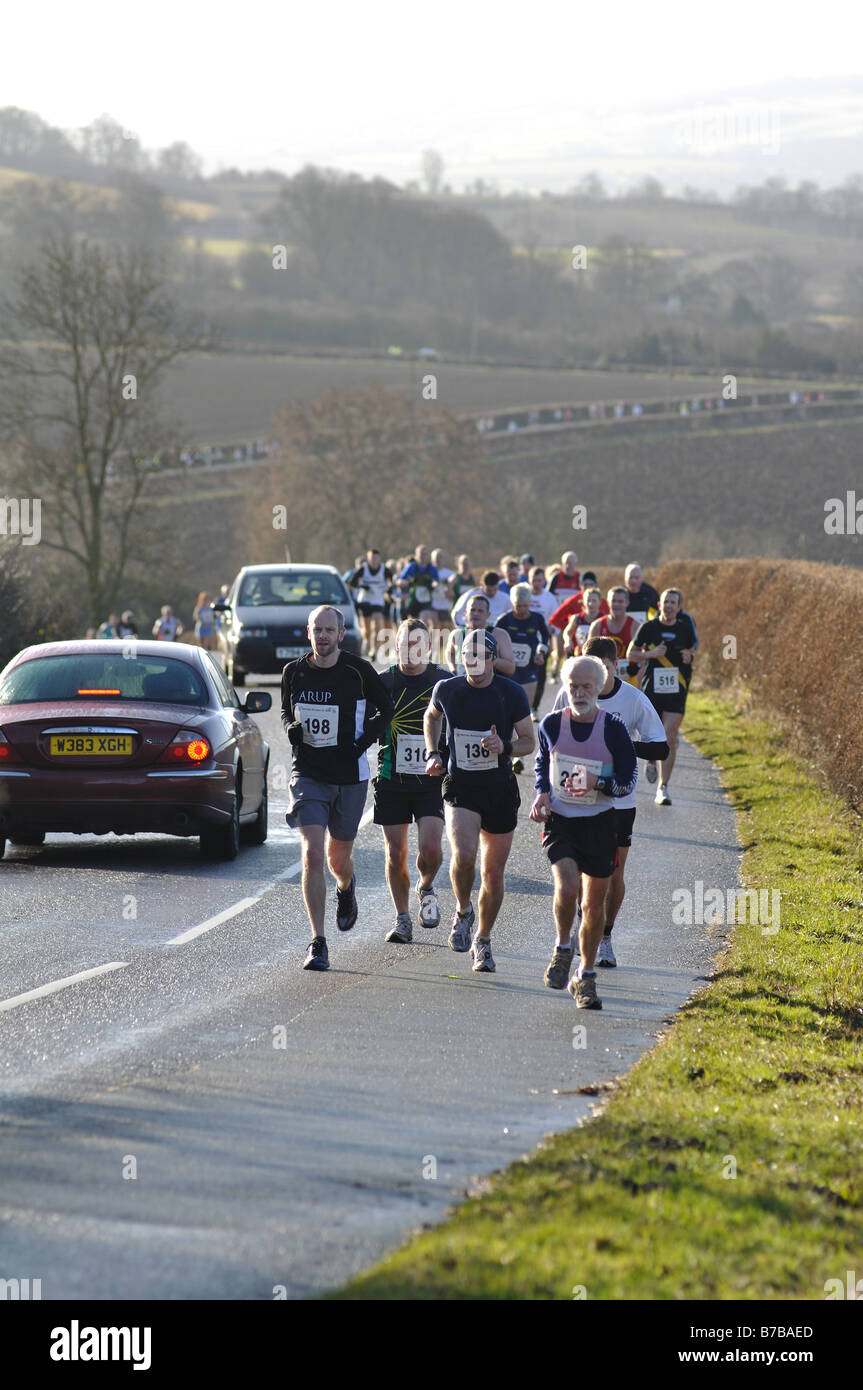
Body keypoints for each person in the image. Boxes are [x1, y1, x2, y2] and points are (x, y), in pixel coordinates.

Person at [281, 604, 393, 971]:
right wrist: (291, 730)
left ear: (341, 634)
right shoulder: (294, 672)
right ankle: (318, 942)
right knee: (313, 854)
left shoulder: (358, 672)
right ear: (308, 632)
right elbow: (286, 712)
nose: (323, 636)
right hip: (309, 774)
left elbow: (385, 709)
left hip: (350, 777)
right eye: (318, 630)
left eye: (330, 630)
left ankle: (346, 887)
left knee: (337, 860)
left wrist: (362, 744)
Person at [552, 636, 668, 967]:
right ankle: (582, 925)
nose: (592, 680)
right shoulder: (569, 692)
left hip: (618, 802)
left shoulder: (633, 700)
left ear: (615, 666)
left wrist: (621, 747)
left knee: (613, 876)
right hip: (575, 798)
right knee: (573, 875)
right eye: (587, 671)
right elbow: (549, 741)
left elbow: (660, 748)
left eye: (601, 669)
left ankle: (605, 936)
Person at [424, 628, 535, 973]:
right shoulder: (448, 689)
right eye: (467, 655)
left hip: (500, 789)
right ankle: (462, 910)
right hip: (461, 785)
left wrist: (506, 747)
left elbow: (529, 741)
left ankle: (483, 941)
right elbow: (432, 715)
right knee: (464, 856)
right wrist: (432, 751)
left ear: (491, 660)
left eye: (480, 656)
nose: (473, 662)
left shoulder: (511, 693)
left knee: (492, 871)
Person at [531, 655, 636, 1008]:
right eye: (573, 686)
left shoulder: (613, 729)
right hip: (561, 822)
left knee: (592, 906)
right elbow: (543, 764)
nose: (579, 692)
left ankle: (586, 976)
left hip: (600, 822)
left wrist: (600, 783)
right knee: (567, 886)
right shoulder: (549, 724)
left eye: (586, 686)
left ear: (600, 687)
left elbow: (628, 781)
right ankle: (563, 948)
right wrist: (541, 794)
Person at [374, 619, 450, 942]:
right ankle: (402, 918)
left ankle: (426, 883)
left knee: (431, 849)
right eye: (406, 644)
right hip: (392, 778)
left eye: (418, 645)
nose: (411, 651)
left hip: (431, 779)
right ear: (396, 647)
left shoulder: (444, 683)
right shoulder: (384, 682)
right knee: (395, 853)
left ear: (429, 649)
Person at [626, 588, 696, 806]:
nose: (668, 606)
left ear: (679, 607)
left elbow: (692, 652)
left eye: (673, 602)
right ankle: (650, 757)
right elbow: (631, 653)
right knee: (651, 733)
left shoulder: (685, 629)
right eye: (666, 602)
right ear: (659, 604)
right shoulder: (649, 628)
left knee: (669, 734)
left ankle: (663, 788)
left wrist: (689, 656)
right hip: (652, 689)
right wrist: (650, 654)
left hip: (677, 689)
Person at [495, 584, 549, 767]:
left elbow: (545, 641)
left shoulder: (537, 619)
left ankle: (520, 757)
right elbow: (494, 642)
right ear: (512, 603)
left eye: (526, 606)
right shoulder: (503, 620)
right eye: (519, 606)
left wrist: (541, 653)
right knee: (505, 714)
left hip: (529, 672)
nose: (522, 610)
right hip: (507, 674)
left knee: (522, 713)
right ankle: (508, 751)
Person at [445, 592, 516, 678]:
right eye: (472, 610)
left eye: (480, 611)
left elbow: (511, 669)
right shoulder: (456, 635)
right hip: (463, 687)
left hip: (489, 687)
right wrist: (453, 670)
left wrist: (490, 659)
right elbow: (450, 654)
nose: (476, 614)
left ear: (488, 614)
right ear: (466, 613)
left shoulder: (499, 635)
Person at [586, 586, 641, 685]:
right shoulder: (597, 626)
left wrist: (638, 672)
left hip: (629, 679)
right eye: (613, 601)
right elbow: (588, 656)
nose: (616, 604)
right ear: (607, 602)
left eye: (620, 601)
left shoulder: (635, 626)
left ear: (627, 603)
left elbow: (643, 656)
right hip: (603, 680)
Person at [347, 548, 392, 657]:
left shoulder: (384, 569)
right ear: (368, 558)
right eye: (371, 558)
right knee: (367, 629)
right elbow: (351, 583)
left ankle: (374, 649)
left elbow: (391, 582)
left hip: (378, 600)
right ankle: (366, 641)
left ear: (379, 559)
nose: (373, 560)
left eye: (375, 558)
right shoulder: (363, 569)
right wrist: (362, 586)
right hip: (365, 600)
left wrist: (388, 590)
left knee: (376, 625)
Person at [527, 566, 559, 719]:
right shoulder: (524, 594)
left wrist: (552, 631)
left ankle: (534, 707)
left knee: (540, 676)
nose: (536, 583)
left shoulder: (549, 598)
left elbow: (556, 621)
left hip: (541, 642)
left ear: (544, 581)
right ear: (529, 580)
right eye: (534, 580)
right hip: (524, 641)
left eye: (539, 580)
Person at [398, 546, 440, 623]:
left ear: (428, 556)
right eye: (421, 554)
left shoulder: (432, 568)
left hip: (426, 601)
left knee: (423, 621)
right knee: (413, 625)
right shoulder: (411, 566)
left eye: (425, 554)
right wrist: (407, 582)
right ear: (416, 555)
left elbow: (437, 582)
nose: (423, 556)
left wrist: (434, 584)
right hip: (413, 601)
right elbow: (399, 581)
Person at [561, 586, 604, 657]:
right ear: (583, 601)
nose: (591, 603)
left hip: (598, 656)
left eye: (594, 601)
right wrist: (567, 641)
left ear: (600, 602)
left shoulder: (603, 618)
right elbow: (567, 632)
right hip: (579, 654)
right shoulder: (577, 618)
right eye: (588, 600)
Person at [623, 563, 660, 628]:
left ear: (642, 578)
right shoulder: (619, 593)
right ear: (625, 578)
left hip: (645, 630)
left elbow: (658, 611)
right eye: (630, 577)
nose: (633, 581)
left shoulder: (650, 593)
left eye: (637, 578)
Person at [429, 549, 455, 631]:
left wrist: (449, 592)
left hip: (445, 606)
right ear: (432, 559)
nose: (438, 559)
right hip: (431, 605)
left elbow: (454, 593)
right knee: (433, 629)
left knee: (444, 631)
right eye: (436, 557)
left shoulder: (450, 574)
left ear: (444, 559)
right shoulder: (428, 573)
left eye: (440, 557)